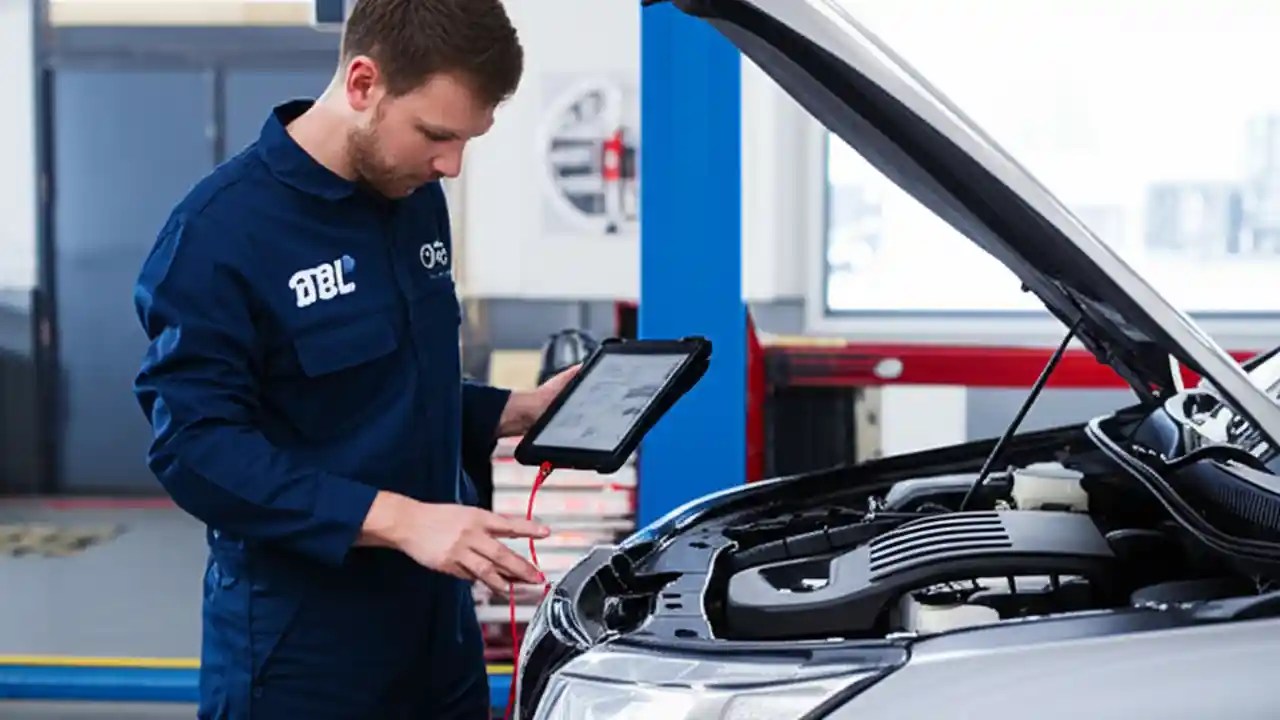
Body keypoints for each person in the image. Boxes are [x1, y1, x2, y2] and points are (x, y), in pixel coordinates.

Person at [131, 1, 570, 717]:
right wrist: (402, 520)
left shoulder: (414, 197)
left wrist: (510, 411)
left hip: (436, 639)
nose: (451, 166)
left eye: (467, 140)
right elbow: (194, 446)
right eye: (435, 134)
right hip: (304, 653)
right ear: (363, 84)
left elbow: (385, 387)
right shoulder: (220, 236)